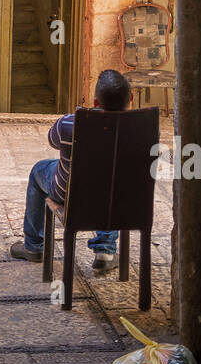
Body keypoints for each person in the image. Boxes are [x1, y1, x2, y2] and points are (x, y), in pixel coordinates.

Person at [9, 69, 132, 271]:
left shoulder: (69, 123)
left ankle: (34, 246)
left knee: (39, 169)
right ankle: (105, 251)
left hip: (71, 196)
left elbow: (52, 141)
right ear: (131, 98)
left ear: (94, 102)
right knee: (110, 185)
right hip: (117, 201)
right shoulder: (143, 129)